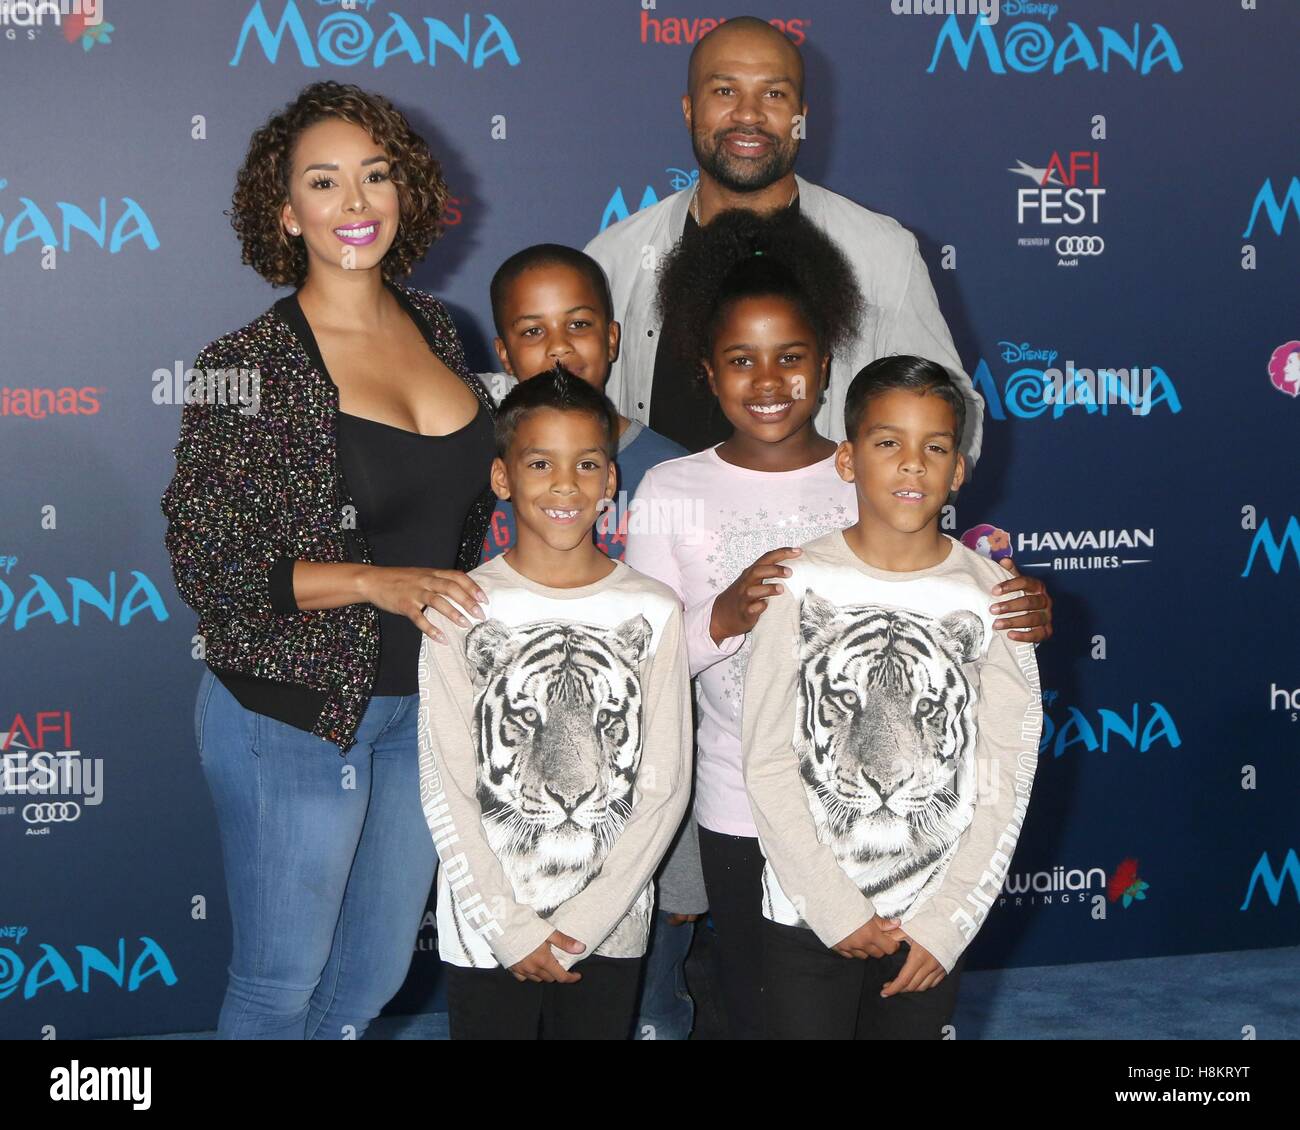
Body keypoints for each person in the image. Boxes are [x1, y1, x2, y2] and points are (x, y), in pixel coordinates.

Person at [625, 207, 1053, 1039]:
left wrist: (1022, 610)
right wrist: (723, 614)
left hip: (892, 818)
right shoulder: (674, 489)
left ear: (824, 366)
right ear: (707, 373)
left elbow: (942, 601)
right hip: (740, 801)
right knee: (769, 1012)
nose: (769, 379)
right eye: (741, 360)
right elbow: (637, 665)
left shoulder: (872, 463)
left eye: (790, 357)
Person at [161, 81, 495, 1039]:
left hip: (419, 707)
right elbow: (207, 560)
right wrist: (372, 582)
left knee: (370, 979)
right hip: (295, 711)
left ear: (406, 190)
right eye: (324, 182)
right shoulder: (248, 359)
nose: (356, 205)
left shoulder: (439, 330)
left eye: (375, 176)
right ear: (286, 211)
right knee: (280, 984)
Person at [742, 355, 1043, 1039]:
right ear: (846, 460)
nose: (912, 465)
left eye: (934, 448)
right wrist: (829, 904)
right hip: (805, 915)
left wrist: (949, 921)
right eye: (888, 443)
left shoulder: (994, 598)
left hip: (929, 919)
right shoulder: (796, 582)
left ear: (958, 470)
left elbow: (1006, 772)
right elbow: (764, 760)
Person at [416, 371, 692, 1040]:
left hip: (609, 922)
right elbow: (446, 786)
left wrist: (585, 924)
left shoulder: (652, 611)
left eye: (587, 464)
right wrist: (508, 929)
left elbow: (664, 788)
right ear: (502, 477)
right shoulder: (461, 609)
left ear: (611, 481)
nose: (565, 484)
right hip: (487, 931)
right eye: (540, 463)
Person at [473, 244, 702, 1039]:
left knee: (649, 999)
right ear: (503, 353)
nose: (559, 348)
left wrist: (680, 866)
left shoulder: (671, 472)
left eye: (577, 326)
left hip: (647, 804)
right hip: (517, 806)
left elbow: (691, 665)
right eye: (532, 333)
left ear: (611, 336)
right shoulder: (482, 468)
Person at [585, 15, 983, 458]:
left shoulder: (883, 253)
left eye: (774, 93)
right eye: (724, 91)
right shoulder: (614, 259)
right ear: (688, 110)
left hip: (830, 526)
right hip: (661, 524)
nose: (749, 114)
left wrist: (884, 508)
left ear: (801, 117)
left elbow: (956, 410)